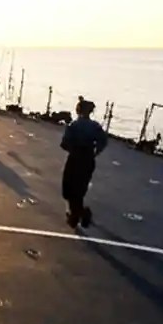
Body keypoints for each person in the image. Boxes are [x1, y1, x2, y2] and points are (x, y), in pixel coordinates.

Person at [61, 96, 108, 229]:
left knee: (68, 188)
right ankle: (77, 214)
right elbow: (103, 141)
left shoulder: (73, 126)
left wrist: (73, 149)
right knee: (80, 189)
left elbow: (64, 143)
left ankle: (77, 214)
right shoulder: (95, 126)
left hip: (75, 158)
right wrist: (95, 152)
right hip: (88, 159)